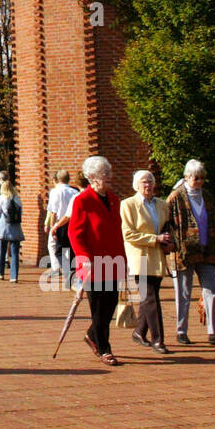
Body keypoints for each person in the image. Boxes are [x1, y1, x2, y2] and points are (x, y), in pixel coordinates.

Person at [165, 159, 215, 346]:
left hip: (207, 251)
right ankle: (181, 331)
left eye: (202, 178)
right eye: (196, 178)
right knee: (183, 293)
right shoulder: (175, 197)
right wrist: (171, 245)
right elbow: (167, 224)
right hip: (185, 252)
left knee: (211, 291)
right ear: (187, 177)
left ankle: (214, 332)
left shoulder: (208, 197)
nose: (199, 181)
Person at [67, 156, 127, 366]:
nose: (108, 177)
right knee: (99, 308)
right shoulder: (82, 201)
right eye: (103, 174)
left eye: (108, 172)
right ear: (91, 177)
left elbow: (117, 232)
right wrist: (84, 259)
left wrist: (124, 259)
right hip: (92, 264)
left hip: (114, 262)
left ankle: (92, 334)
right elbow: (75, 234)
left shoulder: (114, 199)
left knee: (109, 307)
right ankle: (104, 348)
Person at [120, 169, 172, 353]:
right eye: (143, 182)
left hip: (157, 258)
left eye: (150, 181)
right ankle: (158, 339)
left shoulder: (162, 204)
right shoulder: (128, 205)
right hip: (139, 258)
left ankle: (139, 332)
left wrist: (169, 240)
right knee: (151, 299)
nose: (147, 185)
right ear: (136, 185)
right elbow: (128, 234)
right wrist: (155, 239)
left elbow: (168, 227)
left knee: (147, 300)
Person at [46, 169, 79, 288]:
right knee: (70, 248)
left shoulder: (55, 192)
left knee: (58, 249)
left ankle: (66, 271)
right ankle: (71, 271)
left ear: (57, 179)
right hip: (72, 222)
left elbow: (53, 212)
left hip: (60, 223)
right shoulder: (74, 191)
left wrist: (52, 227)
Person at [0, 178, 24, 281]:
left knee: (2, 251)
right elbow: (21, 213)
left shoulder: (1, 198)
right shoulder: (17, 198)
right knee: (15, 253)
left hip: (4, 226)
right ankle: (14, 276)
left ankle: (0, 272)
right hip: (15, 227)